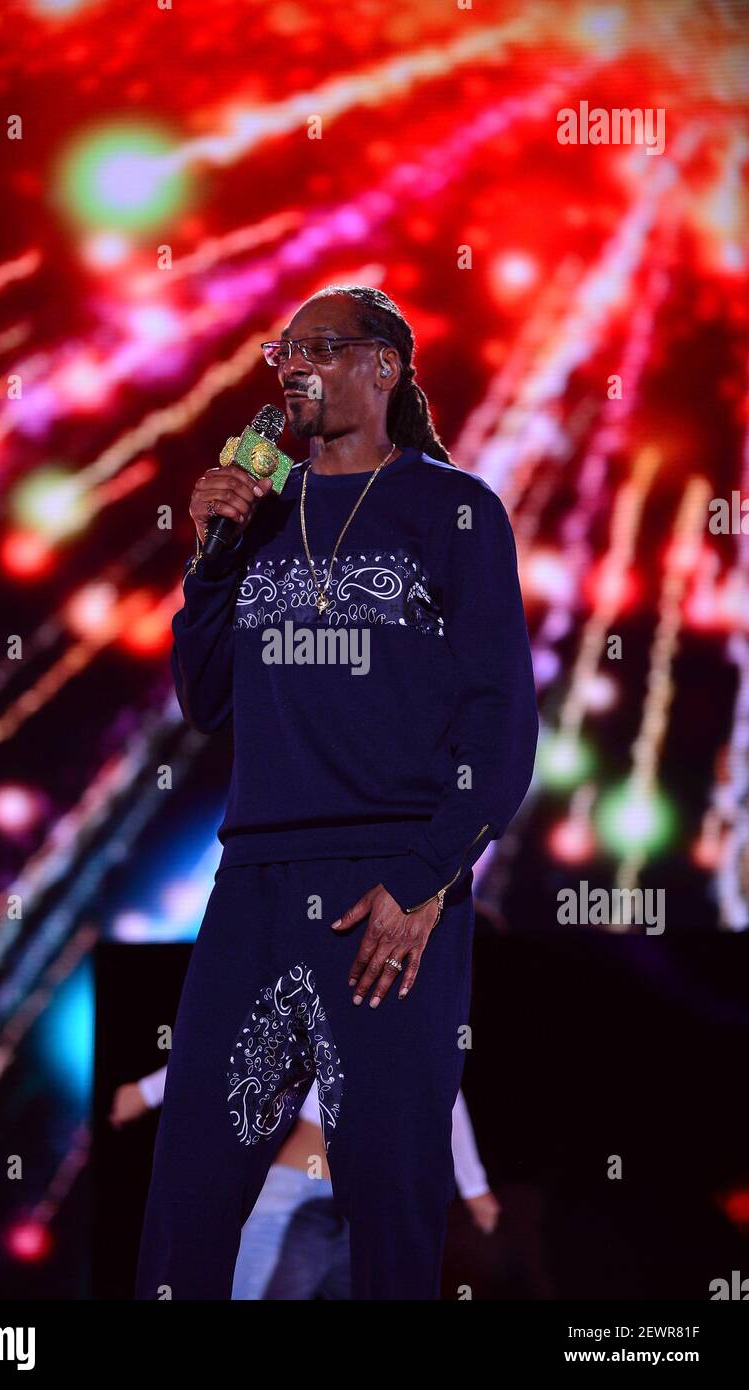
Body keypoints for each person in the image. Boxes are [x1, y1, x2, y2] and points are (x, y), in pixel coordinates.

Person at [134, 284, 538, 1300]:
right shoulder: (260, 512)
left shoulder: (452, 509)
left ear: (383, 366)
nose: (289, 369)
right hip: (256, 883)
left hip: (389, 889)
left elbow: (501, 725)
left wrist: (425, 877)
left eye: (316, 347)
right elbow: (203, 694)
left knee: (388, 1190)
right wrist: (210, 558)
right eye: (282, 351)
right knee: (190, 1184)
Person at [115, 1068, 500, 1299]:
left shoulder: (411, 1012)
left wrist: (475, 1187)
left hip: (373, 1211)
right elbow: (242, 1053)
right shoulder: (313, 995)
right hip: (295, 1195)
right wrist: (148, 1092)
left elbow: (445, 1096)